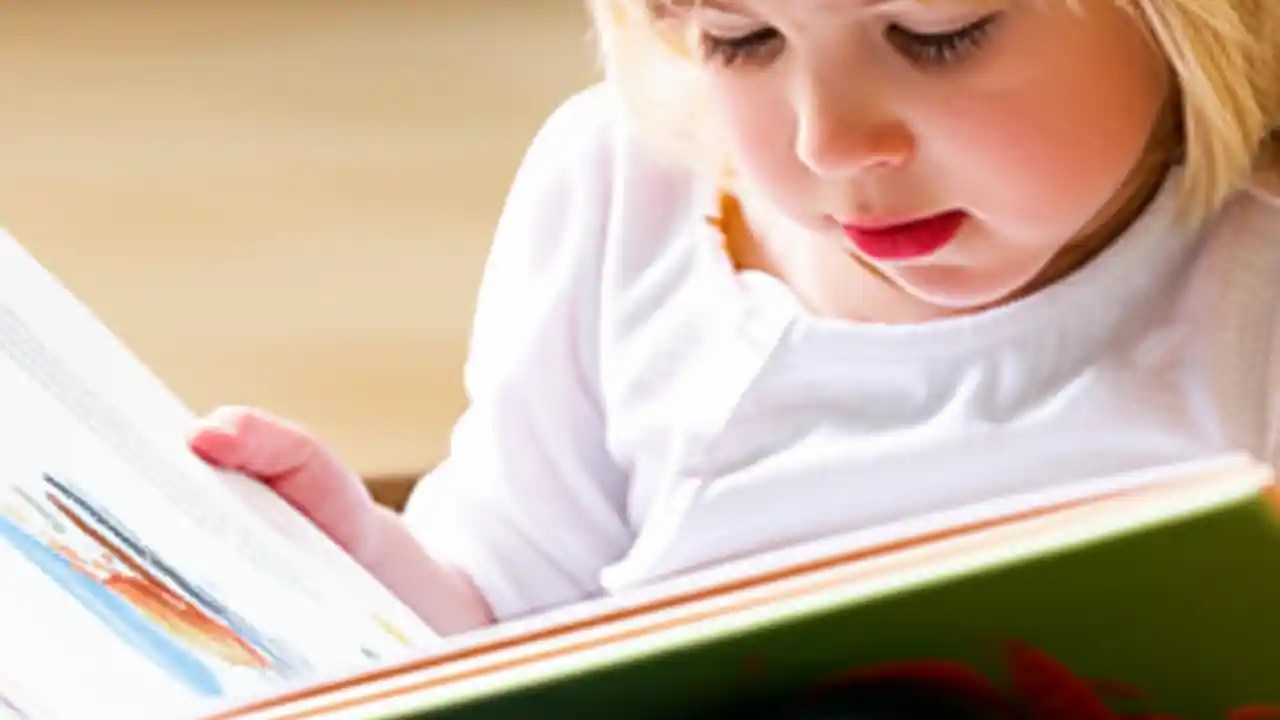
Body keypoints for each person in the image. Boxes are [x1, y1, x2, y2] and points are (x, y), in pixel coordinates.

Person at [188, 0, 1280, 637]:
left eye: (935, 33)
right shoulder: (627, 187)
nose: (828, 143)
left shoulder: (1248, 275)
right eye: (742, 38)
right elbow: (506, 611)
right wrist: (354, 553)